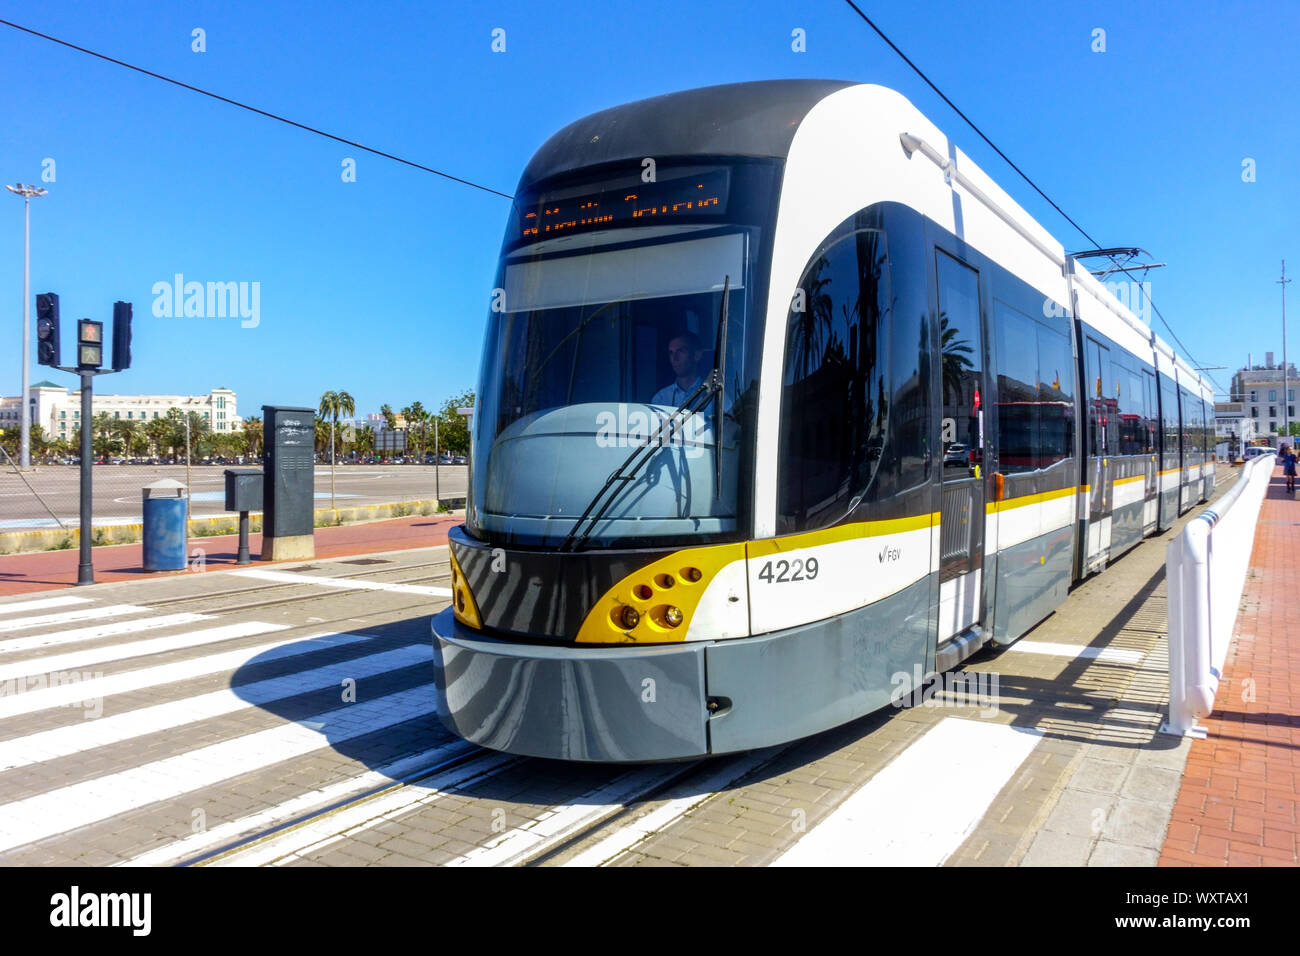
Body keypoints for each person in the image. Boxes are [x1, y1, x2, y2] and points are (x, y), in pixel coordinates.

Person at [651, 331, 706, 407]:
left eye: (681, 351)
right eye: (671, 353)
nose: (674, 358)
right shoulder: (661, 398)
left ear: (697, 355)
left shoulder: (715, 395)